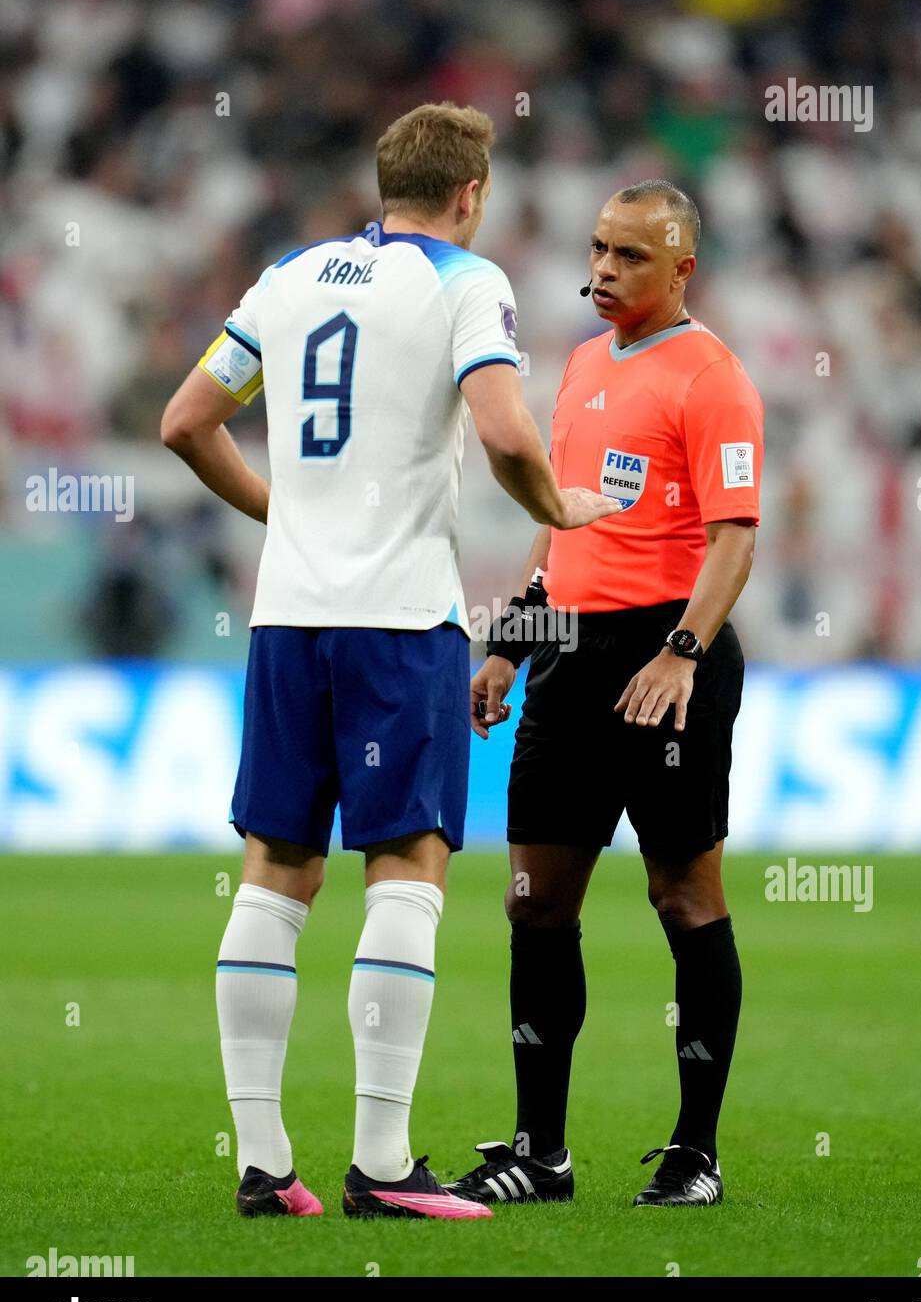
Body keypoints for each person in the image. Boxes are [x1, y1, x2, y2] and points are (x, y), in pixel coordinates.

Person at [160, 102, 617, 1221]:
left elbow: (183, 422)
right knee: (406, 868)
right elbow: (508, 432)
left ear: (383, 183)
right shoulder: (468, 283)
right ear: (471, 193)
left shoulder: (288, 275)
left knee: (277, 870)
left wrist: (290, 517)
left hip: (287, 621)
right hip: (401, 621)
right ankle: (383, 1161)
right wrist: (558, 503)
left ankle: (264, 1165)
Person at [447, 179, 763, 1209]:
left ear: (681, 270)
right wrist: (510, 643)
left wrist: (679, 652)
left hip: (668, 656)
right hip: (569, 656)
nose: (602, 271)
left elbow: (734, 536)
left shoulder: (713, 377)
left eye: (629, 256)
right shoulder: (582, 363)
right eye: (596, 249)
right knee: (533, 901)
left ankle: (695, 1152)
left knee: (683, 895)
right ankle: (541, 1151)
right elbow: (560, 522)